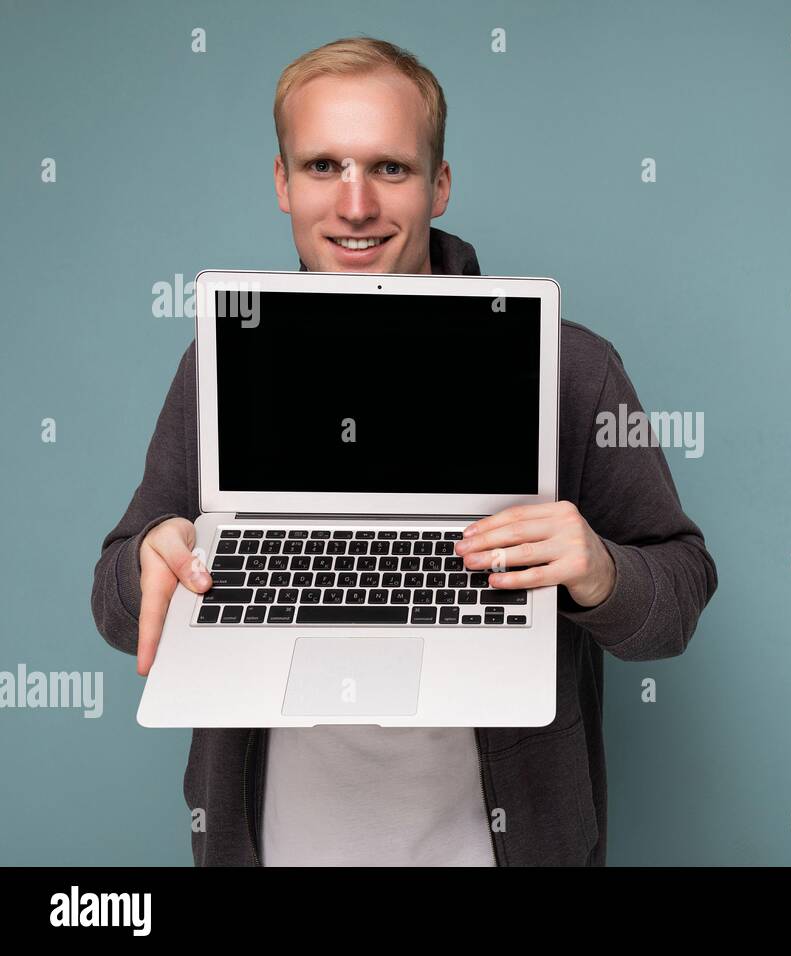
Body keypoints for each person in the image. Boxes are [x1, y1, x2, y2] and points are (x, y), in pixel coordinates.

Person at [90, 36, 718, 866]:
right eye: (322, 166)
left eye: (390, 168)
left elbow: (678, 594)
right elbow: (115, 600)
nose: (355, 205)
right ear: (282, 183)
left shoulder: (570, 368)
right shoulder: (215, 363)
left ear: (440, 185)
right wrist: (148, 563)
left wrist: (602, 571)